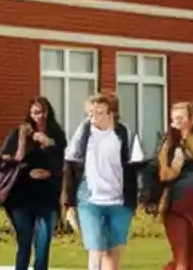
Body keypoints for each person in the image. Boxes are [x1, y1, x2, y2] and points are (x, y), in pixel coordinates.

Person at [62, 93, 145, 270]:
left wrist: (140, 197)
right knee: (96, 248)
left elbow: (138, 168)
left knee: (113, 252)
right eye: (90, 113)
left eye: (99, 112)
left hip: (120, 202)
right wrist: (68, 203)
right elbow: (69, 168)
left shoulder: (125, 135)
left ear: (110, 114)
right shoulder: (83, 134)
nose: (94, 117)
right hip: (90, 200)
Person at [0, 96, 66, 270]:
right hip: (21, 197)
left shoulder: (57, 135)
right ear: (29, 114)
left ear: (48, 113)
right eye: (35, 113)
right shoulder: (18, 134)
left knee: (43, 245)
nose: (39, 117)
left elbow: (62, 164)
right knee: (24, 242)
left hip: (47, 196)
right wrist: (22, 138)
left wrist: (49, 145)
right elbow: (8, 160)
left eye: (42, 112)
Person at [157, 101, 193, 270]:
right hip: (178, 206)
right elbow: (166, 175)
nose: (176, 123)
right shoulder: (175, 146)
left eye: (180, 118)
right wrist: (163, 157)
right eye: (174, 119)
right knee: (182, 261)